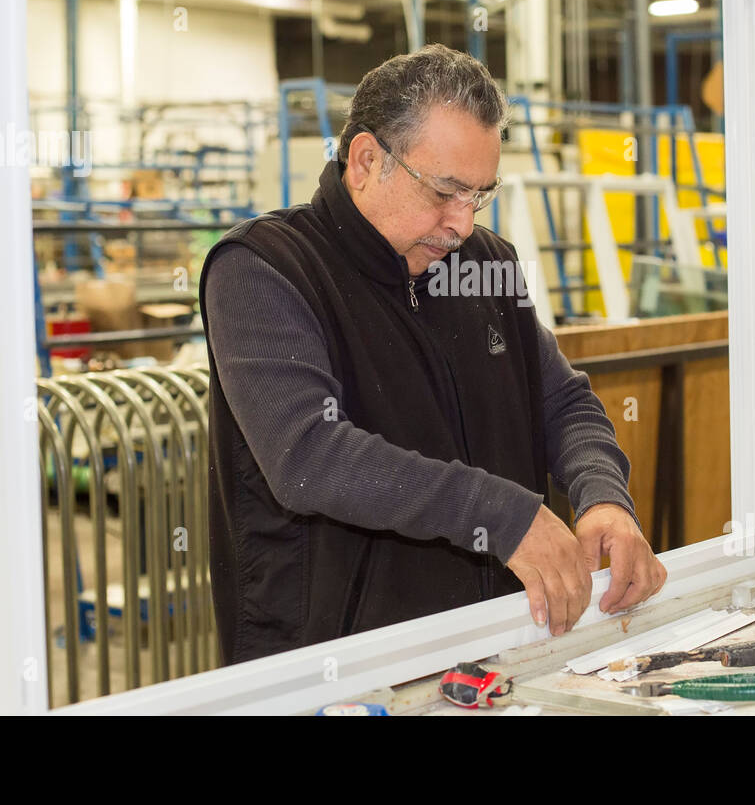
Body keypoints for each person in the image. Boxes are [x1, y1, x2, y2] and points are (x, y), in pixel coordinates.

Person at [200, 43, 666, 664]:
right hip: (336, 666)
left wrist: (604, 495)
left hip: (498, 643)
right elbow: (308, 455)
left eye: (479, 195)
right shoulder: (265, 268)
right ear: (367, 161)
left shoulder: (485, 264)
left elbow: (563, 402)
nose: (462, 224)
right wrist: (502, 515)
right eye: (445, 191)